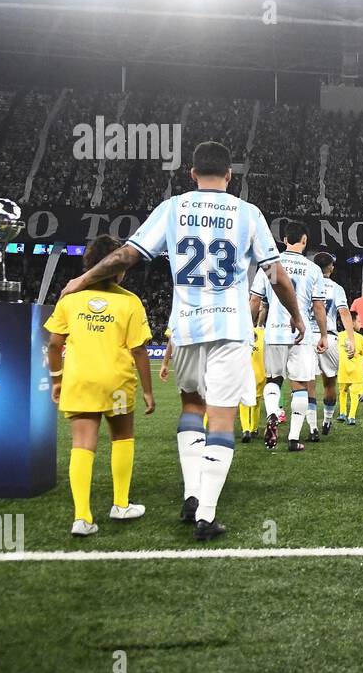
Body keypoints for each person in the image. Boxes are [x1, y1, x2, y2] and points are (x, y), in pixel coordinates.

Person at [61, 141, 304, 541]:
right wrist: (295, 314)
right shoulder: (248, 213)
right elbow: (276, 275)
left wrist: (81, 279)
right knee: (223, 419)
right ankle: (207, 514)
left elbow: (126, 256)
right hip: (230, 327)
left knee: (192, 405)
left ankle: (191, 493)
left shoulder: (173, 208)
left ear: (191, 173)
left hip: (187, 327)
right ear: (230, 176)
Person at [45, 234, 154, 536]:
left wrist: (57, 380)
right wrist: (147, 390)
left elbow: (54, 345)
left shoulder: (70, 298)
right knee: (122, 437)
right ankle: (120, 504)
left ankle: (82, 517)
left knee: (82, 445)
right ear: (117, 267)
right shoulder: (130, 302)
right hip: (116, 381)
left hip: (79, 380)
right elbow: (139, 350)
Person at [250, 220, 327, 452]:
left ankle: (273, 414)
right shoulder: (313, 270)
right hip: (301, 333)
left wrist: (248, 327)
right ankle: (293, 439)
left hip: (274, 331)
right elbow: (319, 308)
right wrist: (323, 334)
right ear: (304, 241)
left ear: (284, 240)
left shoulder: (271, 267)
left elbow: (254, 300)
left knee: (273, 380)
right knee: (300, 385)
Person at [313, 252, 357, 435]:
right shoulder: (336, 288)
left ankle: (310, 426)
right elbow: (344, 313)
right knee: (329, 384)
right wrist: (351, 339)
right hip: (329, 337)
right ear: (330, 267)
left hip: (306, 337)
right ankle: (326, 421)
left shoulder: (308, 283)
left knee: (304, 384)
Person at [337, 325, 363, 426]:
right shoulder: (359, 337)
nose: (361, 324)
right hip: (356, 372)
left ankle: (342, 413)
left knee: (343, 392)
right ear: (352, 323)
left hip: (343, 370)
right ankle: (351, 417)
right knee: (354, 394)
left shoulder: (339, 336)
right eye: (358, 321)